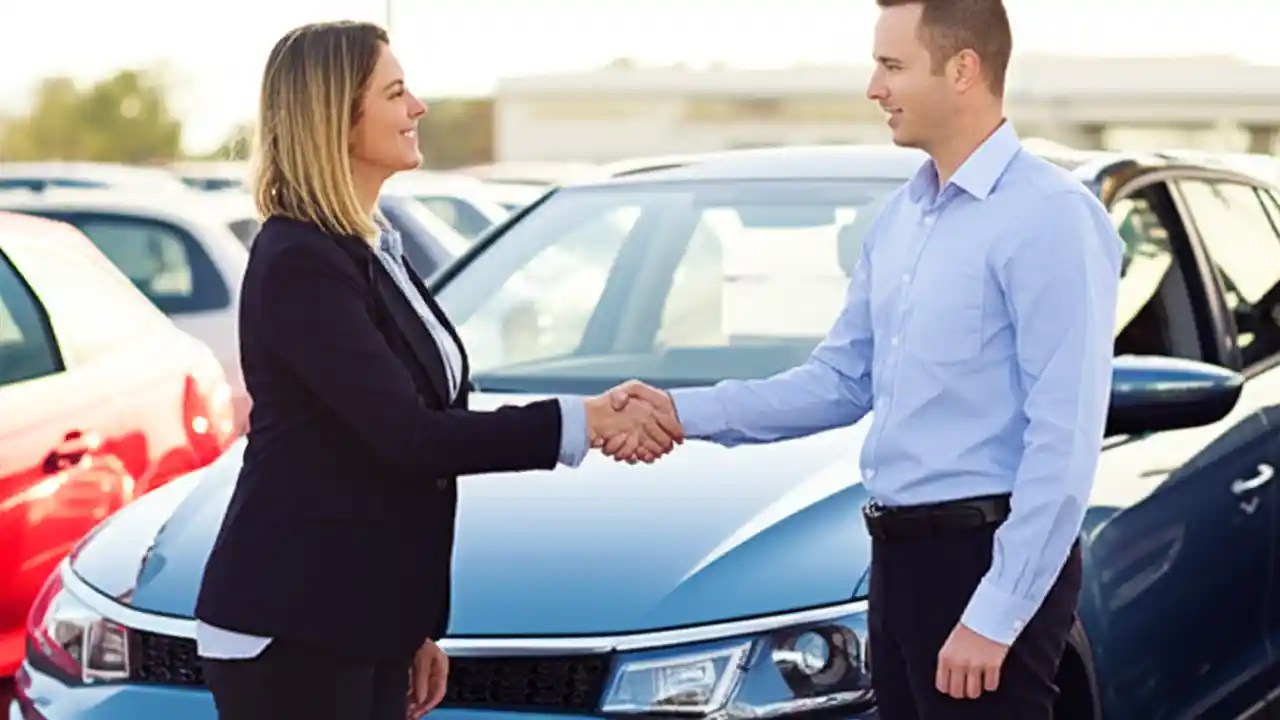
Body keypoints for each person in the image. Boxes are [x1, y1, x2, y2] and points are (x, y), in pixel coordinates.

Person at [601, 0, 1122, 717]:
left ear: (963, 69)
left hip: (985, 563)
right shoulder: (903, 217)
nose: (874, 88)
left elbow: (1064, 443)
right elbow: (838, 381)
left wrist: (994, 615)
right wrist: (679, 412)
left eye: (892, 66)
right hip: (895, 562)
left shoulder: (1051, 216)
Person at [193, 21, 680, 720]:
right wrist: (584, 422)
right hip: (293, 621)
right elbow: (411, 437)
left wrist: (412, 624)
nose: (418, 106)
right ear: (337, 115)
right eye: (395, 92)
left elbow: (401, 454)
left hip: (362, 615)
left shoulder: (365, 246)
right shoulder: (301, 260)